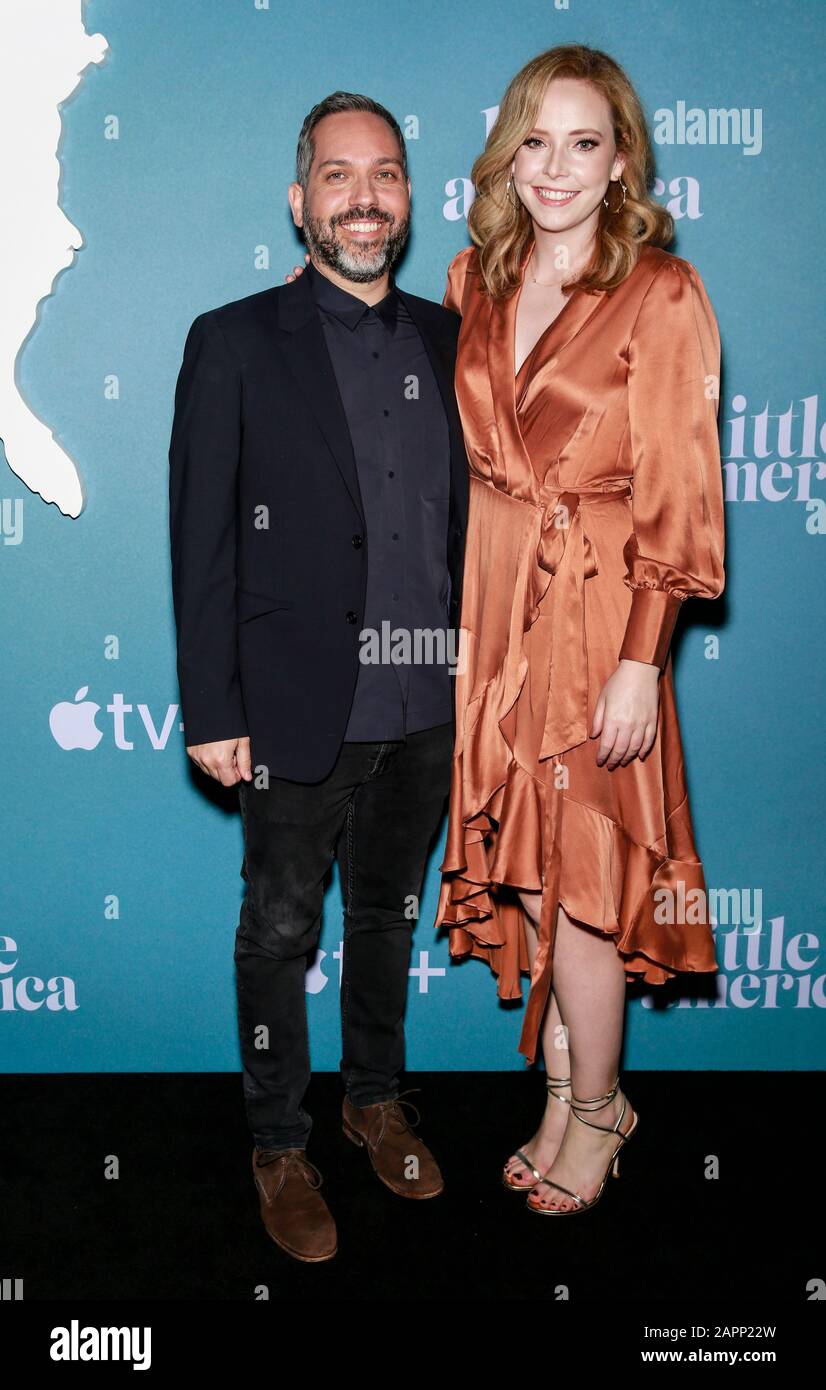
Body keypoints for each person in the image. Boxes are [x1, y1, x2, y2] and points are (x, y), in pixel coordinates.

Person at [168, 91, 469, 1262]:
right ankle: (279, 1140)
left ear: (406, 197)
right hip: (295, 704)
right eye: (337, 176)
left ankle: (373, 1099)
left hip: (426, 701)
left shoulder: (450, 340)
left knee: (389, 919)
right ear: (299, 202)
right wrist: (213, 705)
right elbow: (201, 535)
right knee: (278, 932)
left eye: (384, 174)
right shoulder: (233, 339)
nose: (362, 197)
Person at [434, 44, 726, 1214]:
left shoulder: (661, 289)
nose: (555, 167)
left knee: (589, 879)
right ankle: (563, 1090)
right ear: (508, 151)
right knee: (536, 877)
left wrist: (636, 664)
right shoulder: (476, 280)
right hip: (496, 595)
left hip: (601, 602)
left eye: (584, 142)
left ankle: (600, 1111)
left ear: (621, 163)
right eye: (534, 140)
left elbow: (681, 490)